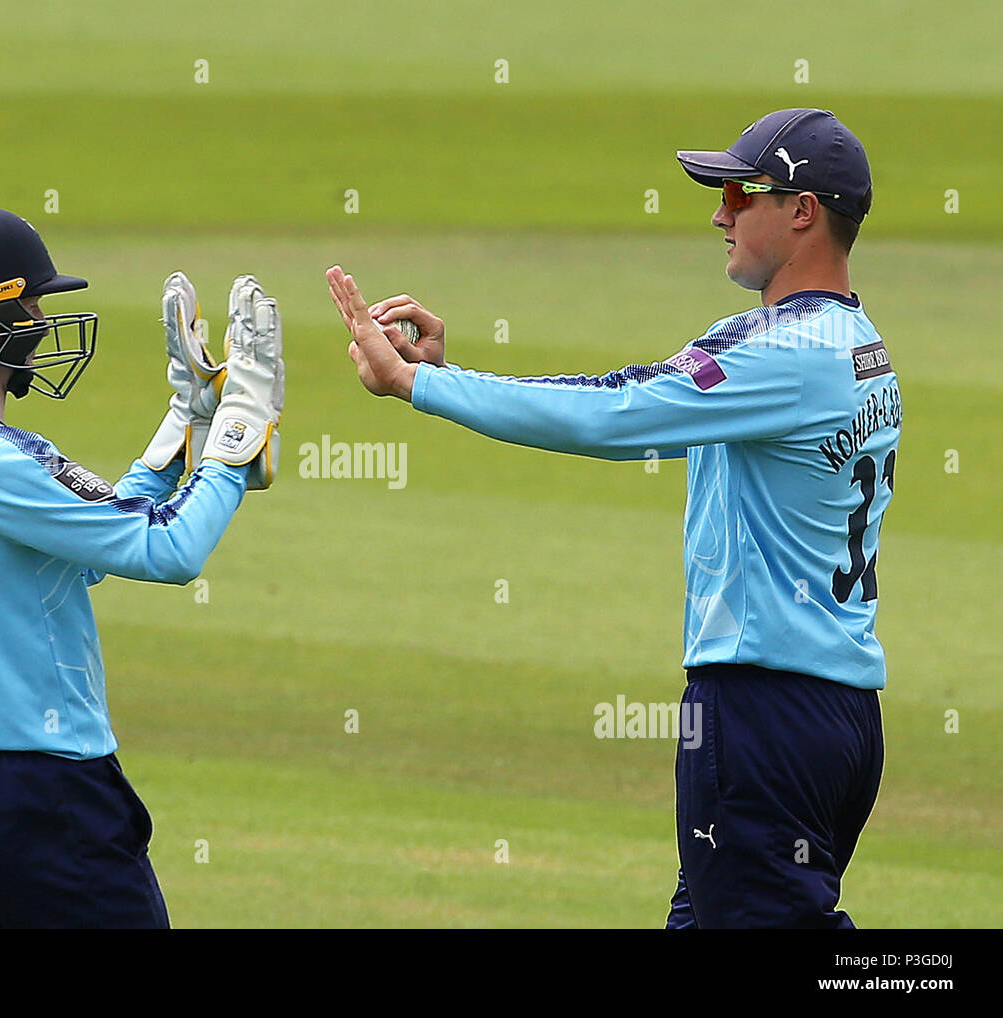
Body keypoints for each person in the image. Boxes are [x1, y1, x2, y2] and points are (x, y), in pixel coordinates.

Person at [326, 108, 896, 929]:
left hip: (764, 712)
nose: (719, 213)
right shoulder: (850, 343)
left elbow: (619, 419)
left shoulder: (787, 358)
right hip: (829, 716)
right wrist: (458, 374)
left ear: (801, 209)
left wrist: (422, 389)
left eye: (739, 192)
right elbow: (623, 388)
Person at [0, 206, 283, 927]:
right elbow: (169, 551)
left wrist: (182, 425)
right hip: (44, 788)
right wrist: (237, 433)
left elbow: (76, 551)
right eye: (31, 302)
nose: (40, 320)